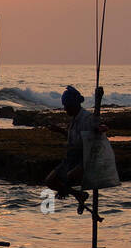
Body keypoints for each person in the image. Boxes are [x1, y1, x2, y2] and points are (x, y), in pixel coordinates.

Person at [44, 85, 106, 215]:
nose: (65, 109)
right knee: (49, 180)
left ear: (73, 105)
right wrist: (60, 131)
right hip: (70, 157)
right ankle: (79, 195)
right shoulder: (73, 120)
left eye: (67, 106)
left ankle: (73, 193)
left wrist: (98, 100)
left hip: (83, 158)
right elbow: (74, 138)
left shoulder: (86, 118)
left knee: (68, 178)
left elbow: (96, 122)